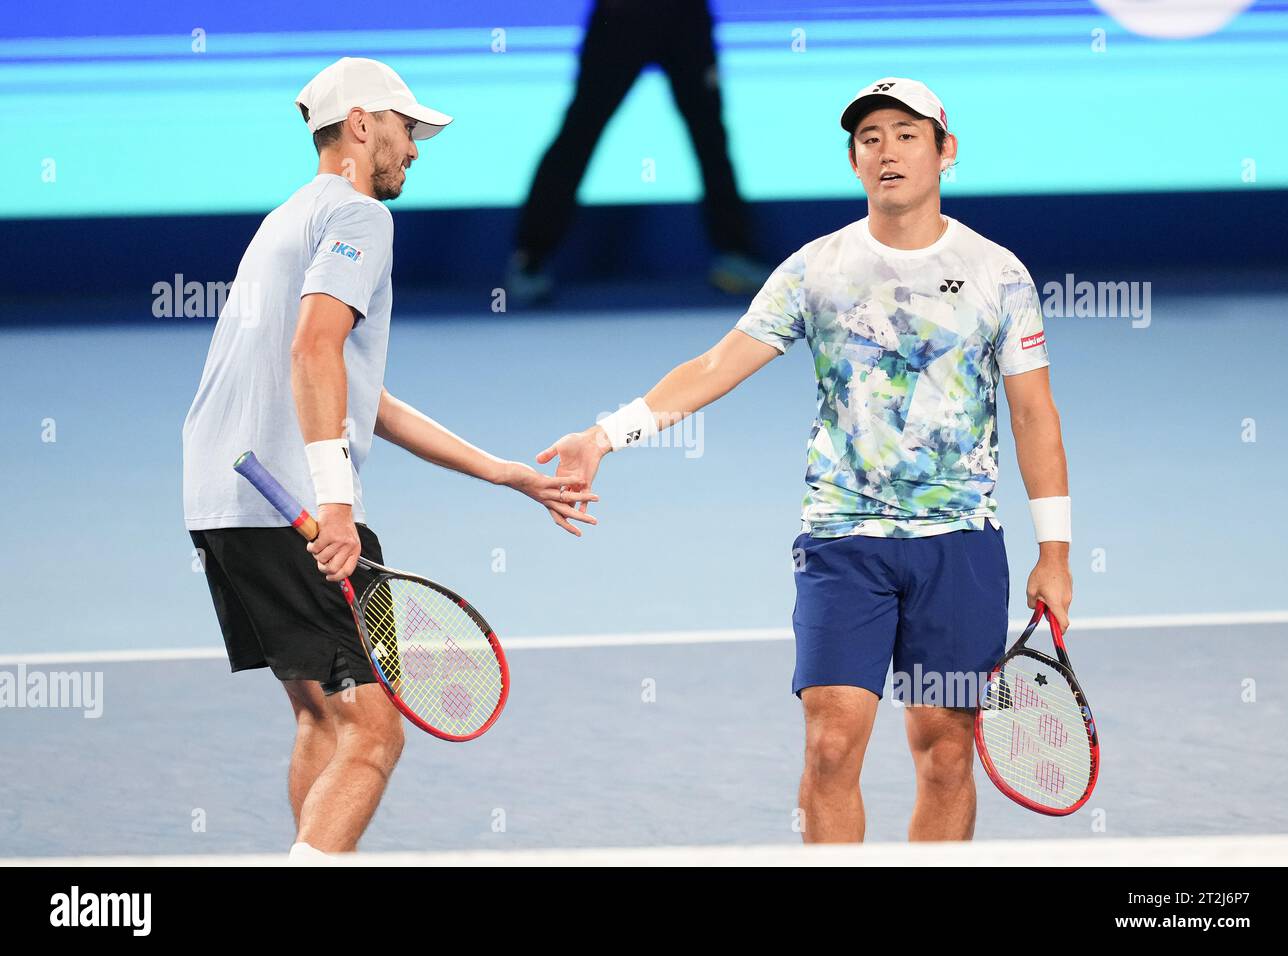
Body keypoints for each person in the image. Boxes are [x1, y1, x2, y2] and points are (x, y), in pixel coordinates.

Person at [537, 78, 1073, 842]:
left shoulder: (1000, 274)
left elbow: (1033, 414)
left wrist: (1054, 551)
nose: (887, 150)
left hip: (959, 544)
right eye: (870, 138)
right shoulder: (814, 270)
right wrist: (605, 434)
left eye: (906, 134)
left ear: (945, 152)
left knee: (947, 753)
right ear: (854, 160)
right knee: (829, 746)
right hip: (842, 541)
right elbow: (716, 364)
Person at [181, 57, 596, 861]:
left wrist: (502, 471)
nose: (415, 149)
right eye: (408, 129)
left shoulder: (286, 220)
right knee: (374, 735)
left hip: (223, 504)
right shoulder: (363, 218)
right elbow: (314, 351)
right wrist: (335, 501)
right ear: (363, 125)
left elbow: (352, 386)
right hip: (298, 506)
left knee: (321, 719)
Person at [505, 0, 768, 305]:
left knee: (710, 136)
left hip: (686, 17)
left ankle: (735, 255)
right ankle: (529, 258)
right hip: (620, 17)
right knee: (579, 132)